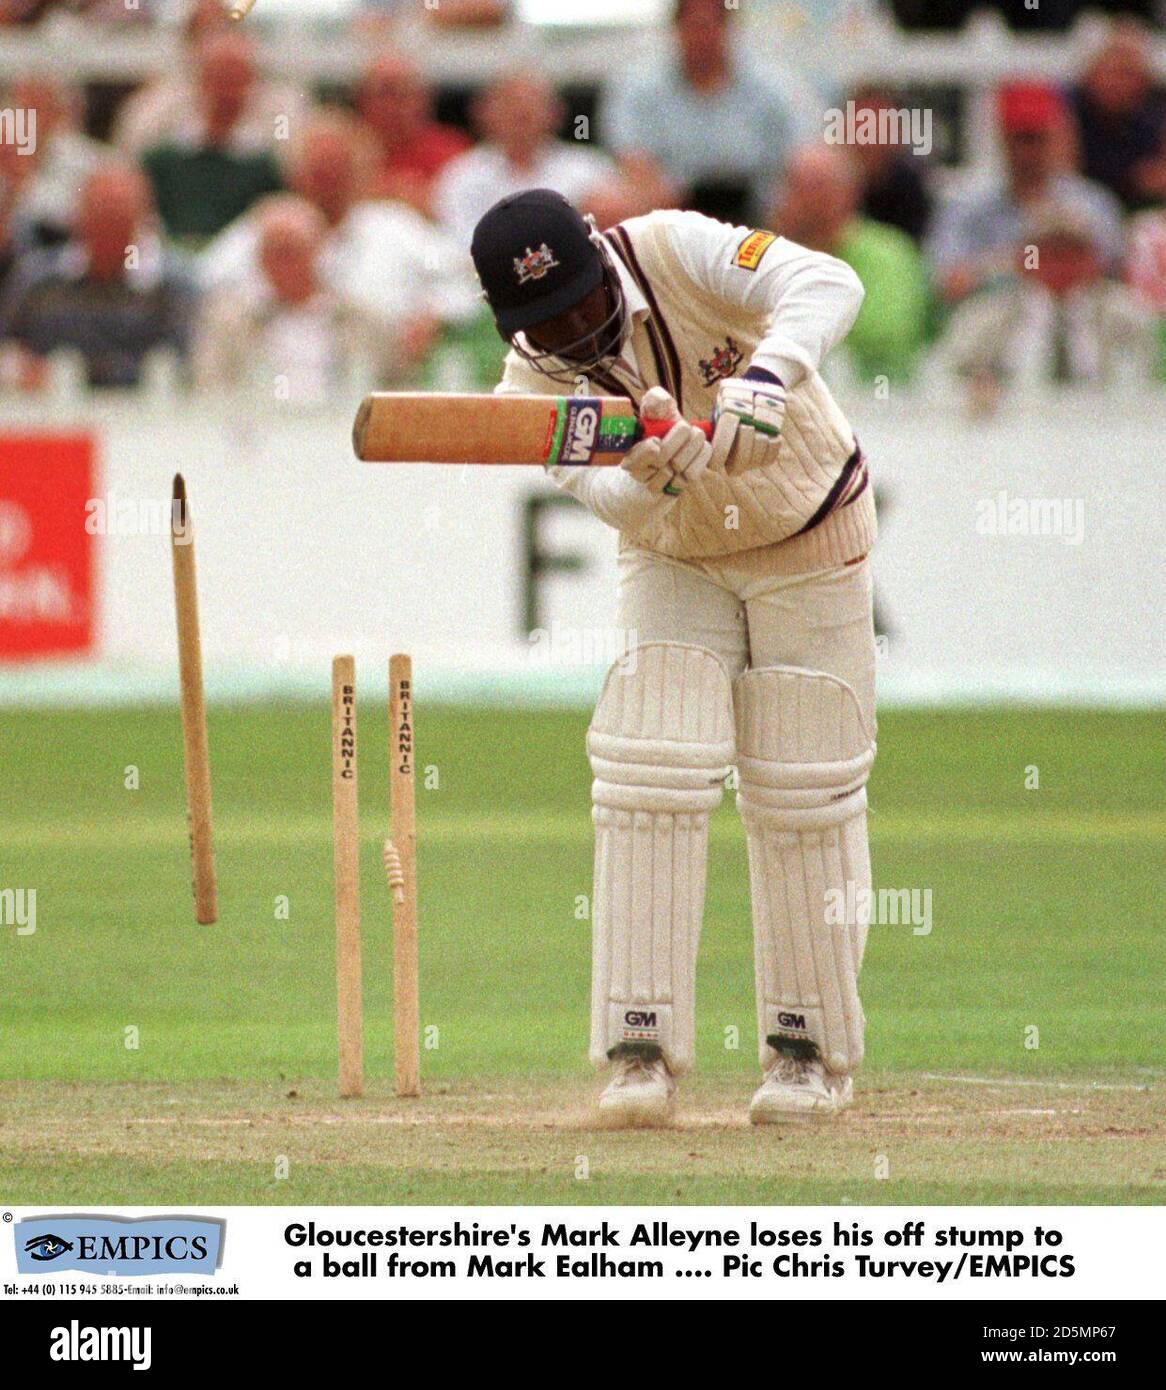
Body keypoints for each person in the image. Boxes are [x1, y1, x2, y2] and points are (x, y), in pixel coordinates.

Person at [473, 189, 875, 1125]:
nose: (577, 329)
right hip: (674, 550)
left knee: (802, 780)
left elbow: (826, 278)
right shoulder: (530, 387)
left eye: (582, 301)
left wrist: (770, 377)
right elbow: (600, 498)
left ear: (597, 260)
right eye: (548, 322)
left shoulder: (677, 247)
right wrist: (645, 480)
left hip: (805, 528)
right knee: (649, 767)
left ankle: (805, 1054)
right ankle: (638, 1051)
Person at [599, 0, 818, 225]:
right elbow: (630, 157)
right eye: (694, 25)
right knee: (609, 201)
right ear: (676, 27)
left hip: (761, 209)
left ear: (729, 27)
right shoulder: (637, 86)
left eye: (711, 25)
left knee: (816, 170)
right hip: (669, 214)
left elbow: (802, 147)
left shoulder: (774, 85)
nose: (703, 36)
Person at [928, 80, 1123, 306]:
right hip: (993, 326)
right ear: (1002, 136)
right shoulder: (964, 205)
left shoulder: (1093, 204)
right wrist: (1023, 262)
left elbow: (1112, 280)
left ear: (1058, 134)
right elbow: (948, 285)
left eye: (1037, 137)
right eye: (1020, 137)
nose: (1028, 151)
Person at [946, 199, 1157, 408]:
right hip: (1015, 428)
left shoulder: (1127, 314)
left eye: (1072, 253)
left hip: (1105, 425)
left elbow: (1151, 380)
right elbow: (944, 375)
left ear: (1094, 260)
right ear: (1024, 260)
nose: (1058, 263)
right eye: (1045, 253)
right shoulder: (986, 316)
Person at [0, 163, 195, 389]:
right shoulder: (38, 280)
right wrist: (20, 370)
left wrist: (79, 376)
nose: (108, 234)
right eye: (99, 218)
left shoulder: (172, 288)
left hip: (150, 417)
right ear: (78, 220)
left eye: (118, 221)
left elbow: (186, 367)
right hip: (52, 415)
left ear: (142, 223)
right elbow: (5, 348)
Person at [194, 195, 410, 397]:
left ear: (319, 251)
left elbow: (393, 390)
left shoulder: (363, 319)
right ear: (260, 259)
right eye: (274, 252)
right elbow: (209, 389)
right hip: (260, 426)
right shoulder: (230, 321)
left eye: (293, 252)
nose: (284, 264)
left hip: (340, 426)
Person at [771, 145, 931, 384]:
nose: (790, 199)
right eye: (791, 186)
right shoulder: (774, 253)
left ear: (846, 194)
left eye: (811, 188)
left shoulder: (889, 254)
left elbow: (886, 336)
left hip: (883, 403)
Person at [434, 73, 613, 250]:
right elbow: (457, 243)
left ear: (557, 113)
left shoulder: (590, 169)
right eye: (511, 107)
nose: (522, 115)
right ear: (484, 113)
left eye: (532, 107)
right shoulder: (461, 175)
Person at [140, 30, 284, 249]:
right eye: (221, 78)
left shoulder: (266, 168)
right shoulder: (160, 160)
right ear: (200, 81)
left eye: (238, 80)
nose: (228, 92)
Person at [355, 51, 472, 219]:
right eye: (385, 93)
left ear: (424, 99)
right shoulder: (344, 150)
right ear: (362, 100)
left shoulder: (452, 152)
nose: (393, 105)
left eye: (404, 93)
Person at [1070, 20, 1166, 212]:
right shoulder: (1069, 110)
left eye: (1129, 73)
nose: (1119, 84)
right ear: (1092, 72)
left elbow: (1159, 176)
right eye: (1114, 72)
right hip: (1080, 211)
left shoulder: (1156, 113)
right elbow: (1063, 175)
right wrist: (1131, 178)